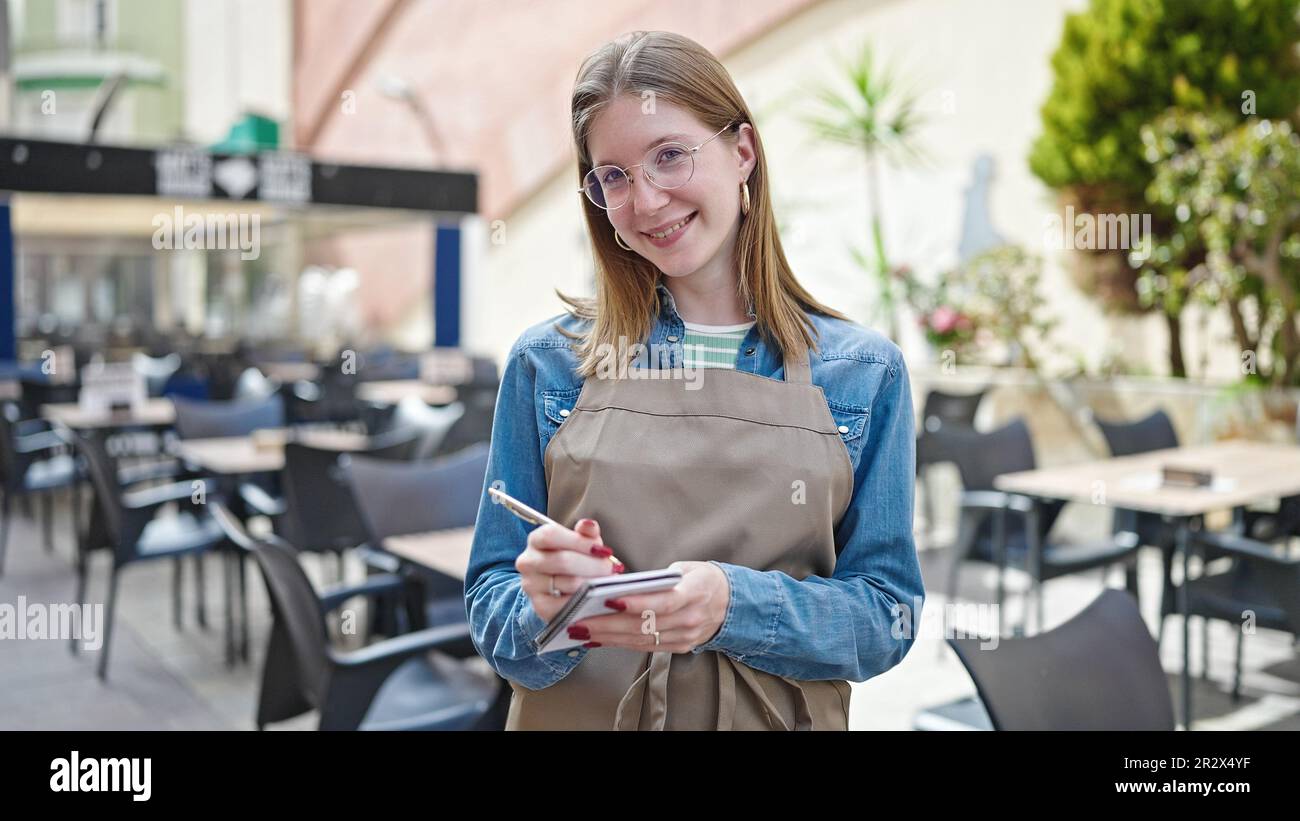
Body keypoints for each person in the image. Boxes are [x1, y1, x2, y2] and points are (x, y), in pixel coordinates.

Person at [465, 30, 924, 730]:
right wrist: (545, 609)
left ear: (742, 152)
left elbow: (888, 617)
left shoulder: (862, 374)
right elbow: (491, 610)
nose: (645, 200)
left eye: (670, 156)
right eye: (613, 175)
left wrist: (733, 606)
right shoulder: (545, 365)